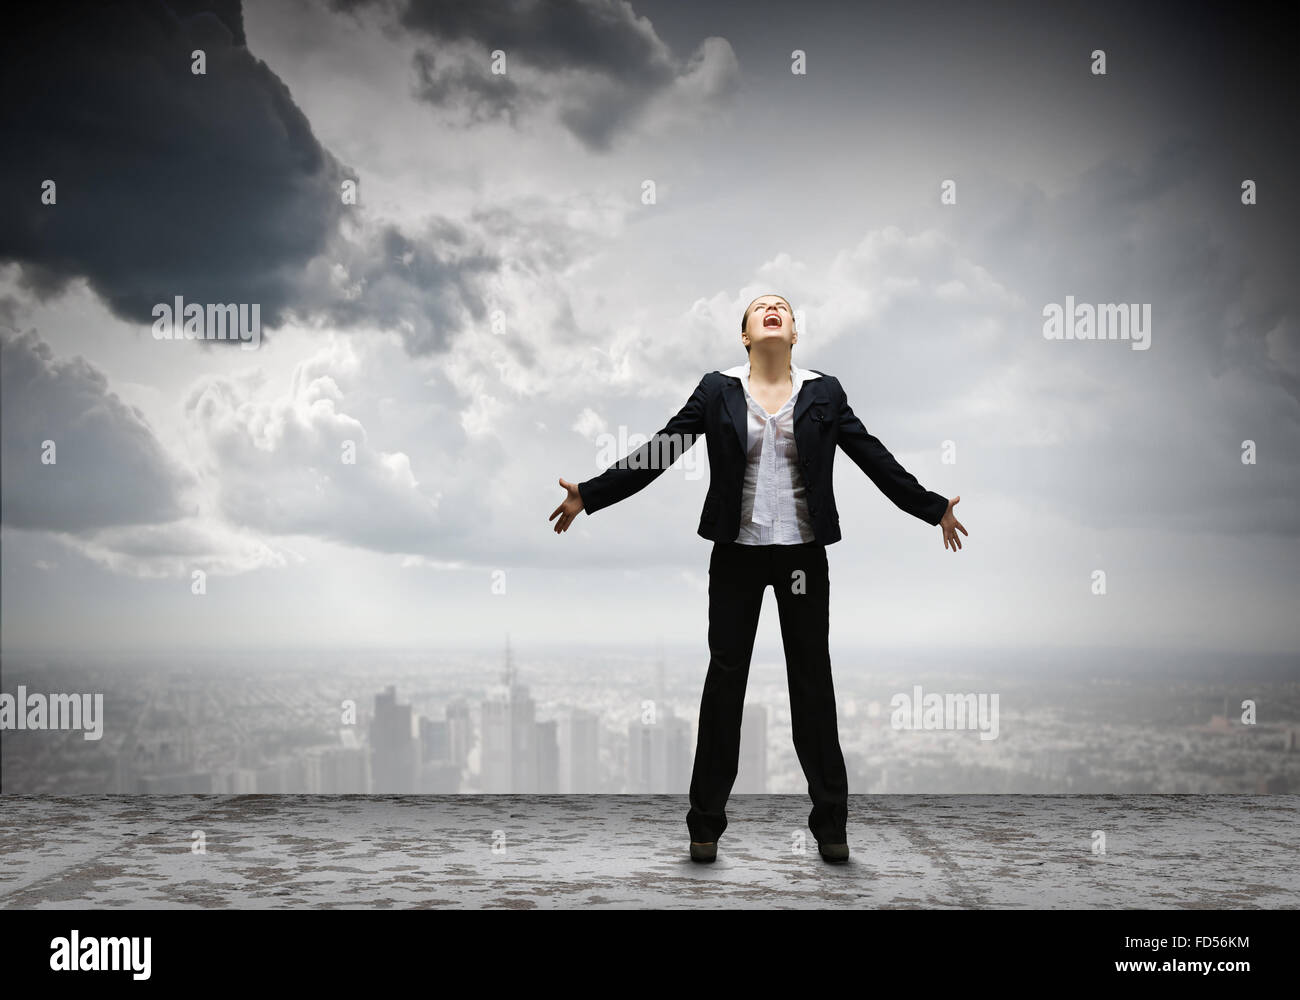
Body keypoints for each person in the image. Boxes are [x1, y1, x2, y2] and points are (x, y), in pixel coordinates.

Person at [550, 294, 967, 863]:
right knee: (725, 684)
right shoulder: (716, 390)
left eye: (783, 308)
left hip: (800, 559)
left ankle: (831, 826)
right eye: (760, 308)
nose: (773, 310)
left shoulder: (825, 392)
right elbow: (662, 450)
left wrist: (933, 507)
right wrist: (591, 496)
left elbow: (873, 458)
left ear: (794, 333)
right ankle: (704, 826)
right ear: (745, 335)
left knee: (811, 683)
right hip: (738, 557)